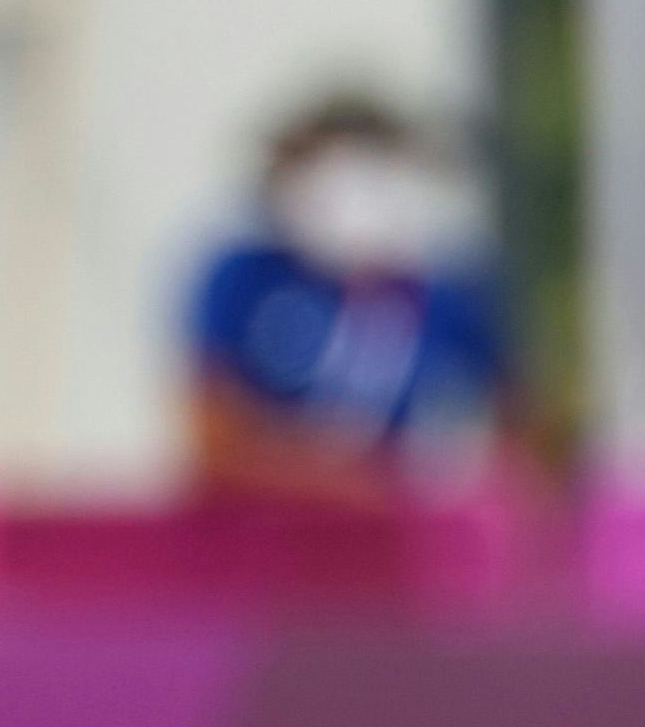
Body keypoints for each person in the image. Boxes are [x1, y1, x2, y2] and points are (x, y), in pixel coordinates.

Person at [184, 90, 509, 508]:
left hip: (402, 537)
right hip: (267, 536)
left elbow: (518, 439)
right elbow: (213, 442)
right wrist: (355, 485)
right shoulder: (245, 278)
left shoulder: (449, 297)